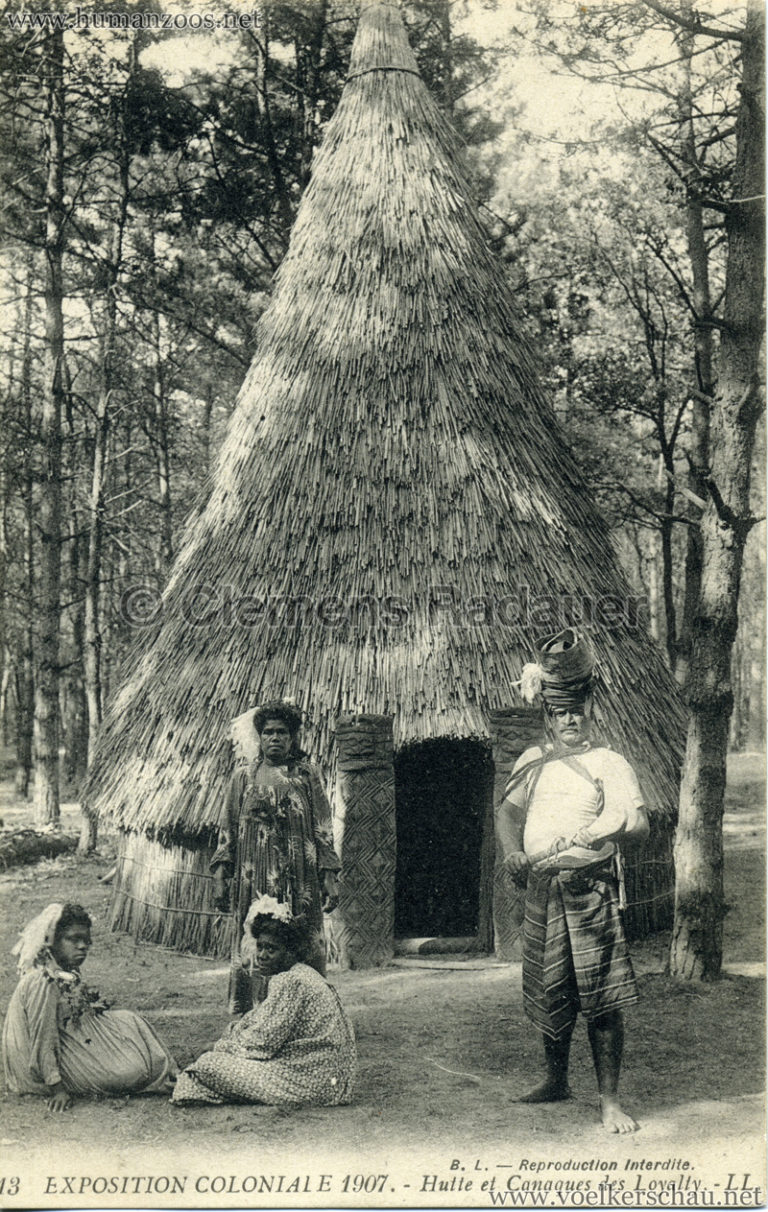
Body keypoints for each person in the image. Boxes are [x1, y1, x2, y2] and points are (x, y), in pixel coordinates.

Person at [497, 629, 649, 1134]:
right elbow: (507, 814)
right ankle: (556, 1080)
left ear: (590, 710)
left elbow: (639, 824)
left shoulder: (611, 763)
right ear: (548, 715)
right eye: (560, 712)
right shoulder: (532, 762)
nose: (570, 720)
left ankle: (609, 1101)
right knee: (549, 988)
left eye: (577, 711)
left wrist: (613, 829)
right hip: (544, 887)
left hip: (591, 890)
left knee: (601, 997)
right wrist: (514, 852)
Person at [212, 699, 342, 1014]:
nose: (275, 738)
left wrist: (329, 877)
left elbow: (323, 826)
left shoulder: (307, 775)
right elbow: (226, 829)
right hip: (253, 878)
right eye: (269, 732)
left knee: (301, 938)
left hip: (300, 879)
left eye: (282, 732)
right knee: (256, 941)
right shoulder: (243, 776)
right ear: (260, 737)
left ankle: (305, 1012)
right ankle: (254, 1011)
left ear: (292, 737)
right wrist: (219, 877)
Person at [172, 895, 356, 1106]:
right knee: (215, 1061)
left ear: (291, 952)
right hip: (329, 1079)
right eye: (260, 947)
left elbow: (262, 1043)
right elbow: (263, 1023)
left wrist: (221, 1047)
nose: (262, 955)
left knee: (208, 1065)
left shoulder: (291, 981)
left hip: (312, 1081)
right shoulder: (302, 974)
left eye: (272, 949)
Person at [2, 903, 177, 1111]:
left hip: (62, 1037)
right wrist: (56, 1088)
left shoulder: (62, 970)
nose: (83, 946)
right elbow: (42, 1037)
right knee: (132, 1072)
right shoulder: (43, 981)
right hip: (39, 1065)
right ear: (52, 941)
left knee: (130, 1021)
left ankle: (169, 1071)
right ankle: (152, 1071)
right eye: (73, 939)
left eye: (86, 940)